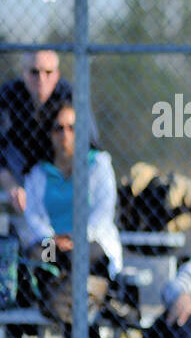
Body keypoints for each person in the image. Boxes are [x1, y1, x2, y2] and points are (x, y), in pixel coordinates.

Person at [20, 103, 122, 298]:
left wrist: (74, 237)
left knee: (77, 256)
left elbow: (103, 213)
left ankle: (83, 306)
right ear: (49, 134)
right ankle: (51, 301)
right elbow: (33, 215)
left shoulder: (98, 165)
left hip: (89, 241)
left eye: (72, 128)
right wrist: (53, 238)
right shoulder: (38, 172)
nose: (65, 135)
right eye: (58, 128)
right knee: (36, 255)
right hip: (52, 243)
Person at [0, 50, 99, 212]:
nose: (41, 79)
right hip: (22, 176)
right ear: (23, 73)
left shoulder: (70, 96)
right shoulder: (8, 95)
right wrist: (11, 186)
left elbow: (90, 144)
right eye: (34, 72)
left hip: (61, 176)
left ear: (57, 74)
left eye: (48, 72)